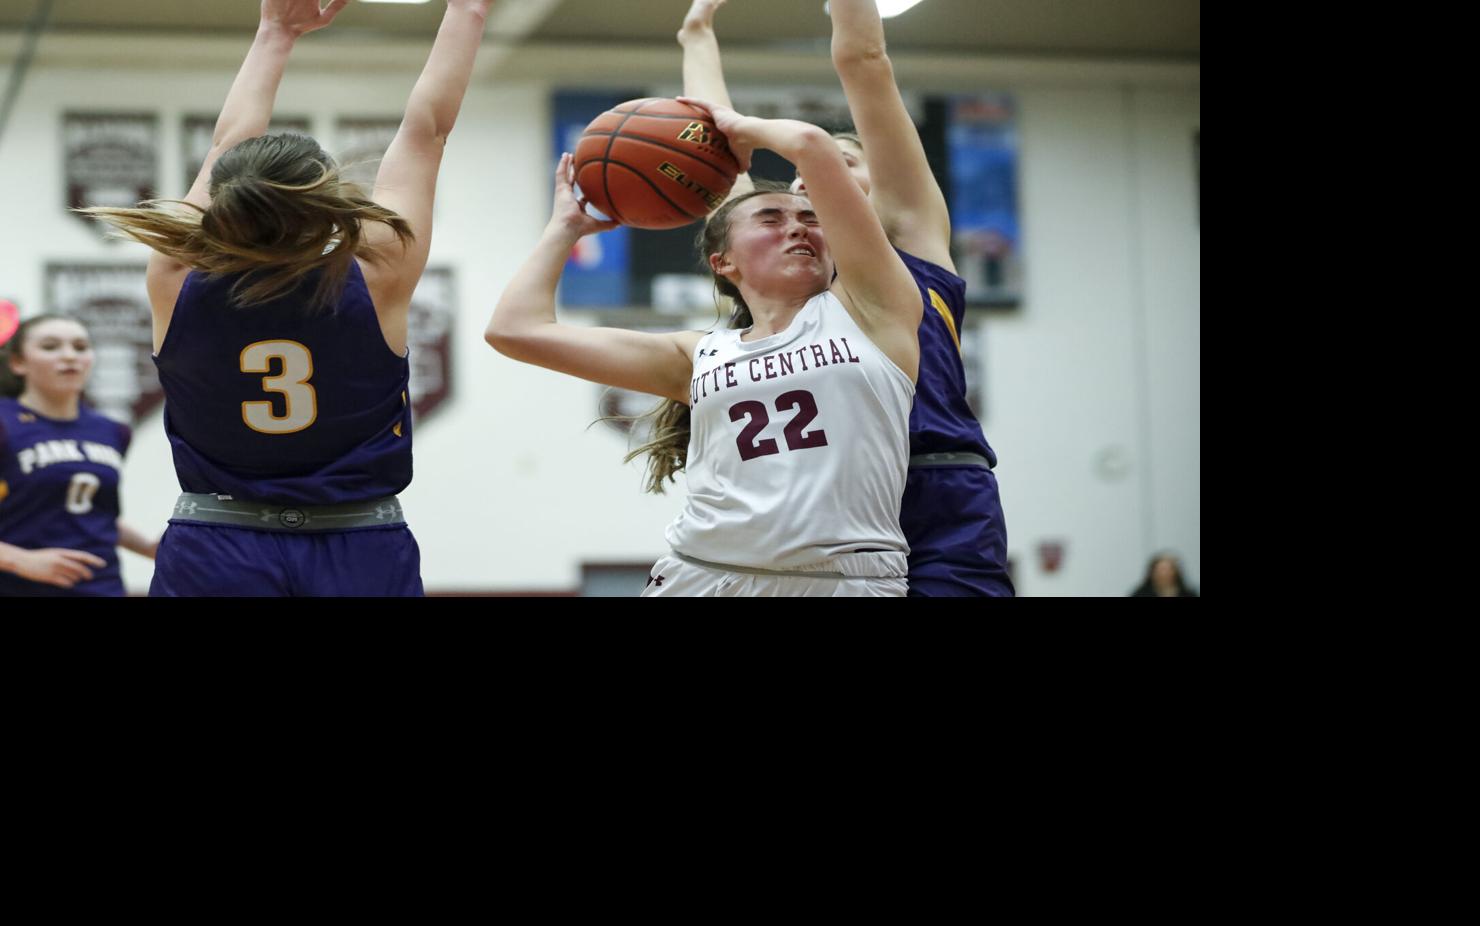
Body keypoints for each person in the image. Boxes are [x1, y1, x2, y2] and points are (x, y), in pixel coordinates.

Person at [78, 0, 495, 596]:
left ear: (220, 205)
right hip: (358, 545)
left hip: (215, 544)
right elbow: (427, 130)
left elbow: (230, 142)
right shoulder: (379, 268)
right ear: (325, 199)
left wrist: (274, 34)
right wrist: (469, 9)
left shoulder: (175, 272)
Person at [486, 96, 924, 597]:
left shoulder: (874, 310)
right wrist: (565, 228)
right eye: (770, 219)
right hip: (704, 572)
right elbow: (515, 330)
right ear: (724, 263)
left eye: (811, 218)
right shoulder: (697, 356)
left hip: (845, 581)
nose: (798, 226)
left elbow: (813, 146)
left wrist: (741, 128)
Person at [679, 0, 1013, 596]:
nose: (813, 182)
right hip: (817, 505)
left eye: (844, 163)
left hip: (934, 484)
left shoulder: (910, 238)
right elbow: (719, 160)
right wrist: (696, 36)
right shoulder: (785, 284)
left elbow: (864, 61)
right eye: (803, 182)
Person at [0, 313, 159, 596]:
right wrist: (19, 560)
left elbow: (90, 510)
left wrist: (149, 547)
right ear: (18, 363)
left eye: (80, 347)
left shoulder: (112, 430)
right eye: (51, 347)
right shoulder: (5, 423)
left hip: (103, 585)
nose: (70, 356)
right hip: (22, 587)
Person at [1130, 553, 1198, 598]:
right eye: (1160, 570)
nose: (1164, 574)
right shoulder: (1141, 594)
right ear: (1152, 573)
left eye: (1168, 570)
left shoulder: (1187, 594)